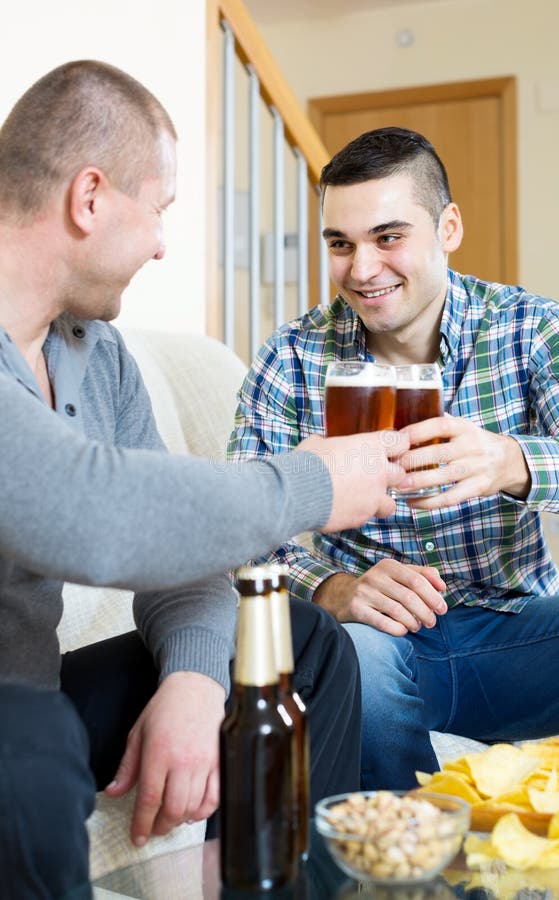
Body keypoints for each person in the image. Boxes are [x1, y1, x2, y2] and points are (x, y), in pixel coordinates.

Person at [0, 63, 409, 898]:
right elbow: (87, 511)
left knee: (303, 645)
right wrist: (312, 482)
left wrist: (194, 677)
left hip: (35, 697)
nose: (161, 242)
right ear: (90, 197)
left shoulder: (93, 350)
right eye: (160, 210)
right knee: (28, 747)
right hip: (13, 720)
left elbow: (176, 549)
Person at [228, 126, 559, 791]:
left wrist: (510, 461)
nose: (362, 269)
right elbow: (238, 526)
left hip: (518, 632)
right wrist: (333, 588)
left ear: (449, 228)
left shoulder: (531, 326)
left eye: (388, 237)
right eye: (341, 244)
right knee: (354, 654)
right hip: (377, 644)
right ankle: (418, 870)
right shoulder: (291, 357)